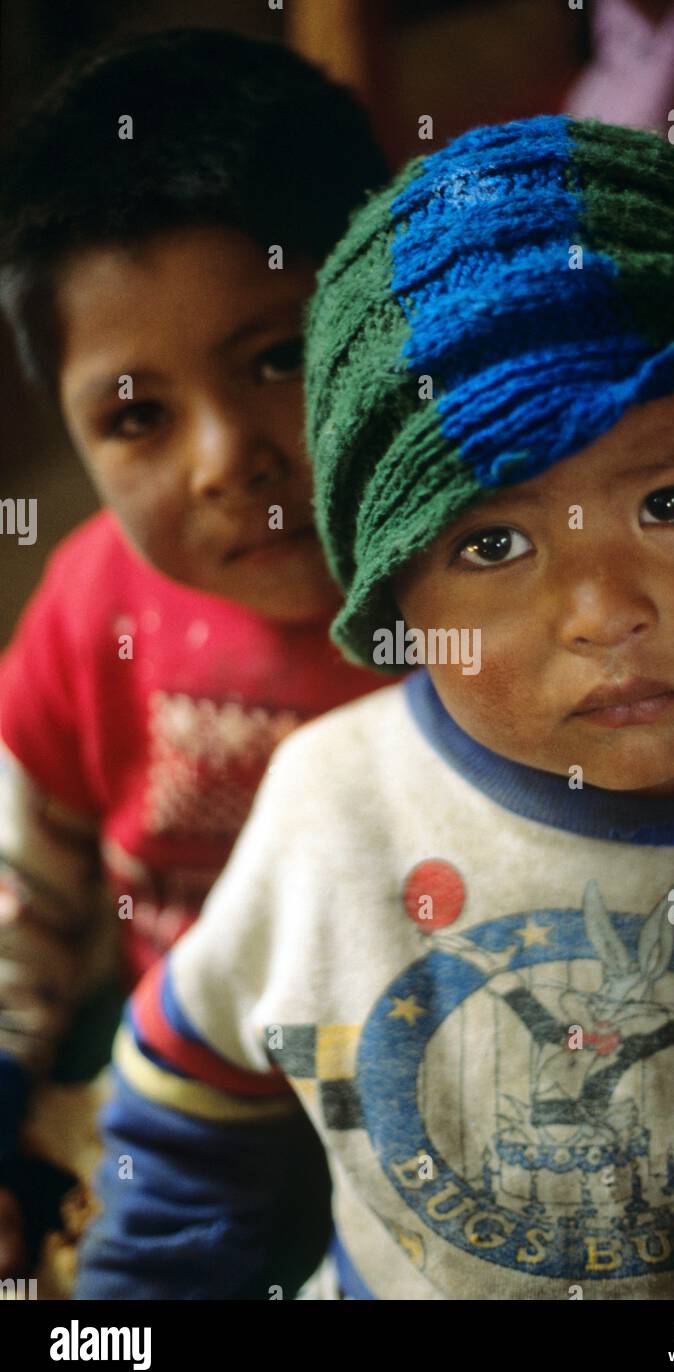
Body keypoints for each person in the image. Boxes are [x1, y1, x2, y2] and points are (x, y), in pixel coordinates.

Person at [75, 114, 674, 1300]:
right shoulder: (333, 805)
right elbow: (186, 1120)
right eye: (493, 541)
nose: (601, 611)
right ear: (396, 593)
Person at [0, 27, 391, 1276]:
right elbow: (21, 875)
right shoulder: (90, 603)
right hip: (167, 1115)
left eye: (279, 355)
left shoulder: (513, 600)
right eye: (136, 416)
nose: (226, 459)